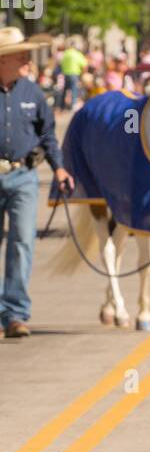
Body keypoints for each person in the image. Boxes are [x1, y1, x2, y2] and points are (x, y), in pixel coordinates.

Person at [0, 27, 73, 339]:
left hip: (24, 176)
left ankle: (15, 313)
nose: (27, 60)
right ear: (3, 60)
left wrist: (59, 169)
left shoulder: (32, 93)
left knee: (22, 242)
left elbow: (47, 135)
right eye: (21, 54)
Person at [59, 40, 88, 111]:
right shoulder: (76, 53)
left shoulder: (66, 53)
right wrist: (83, 74)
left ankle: (62, 106)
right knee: (74, 89)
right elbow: (84, 64)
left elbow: (61, 63)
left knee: (65, 90)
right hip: (74, 74)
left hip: (66, 74)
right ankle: (73, 105)